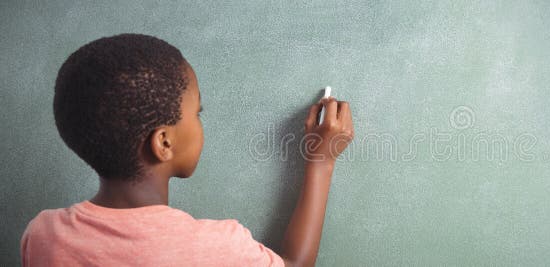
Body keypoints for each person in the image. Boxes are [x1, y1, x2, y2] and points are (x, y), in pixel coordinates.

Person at [20, 33, 354, 266]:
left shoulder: (43, 236)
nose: (200, 121)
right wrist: (321, 161)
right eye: (197, 113)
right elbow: (294, 264)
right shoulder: (216, 248)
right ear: (164, 143)